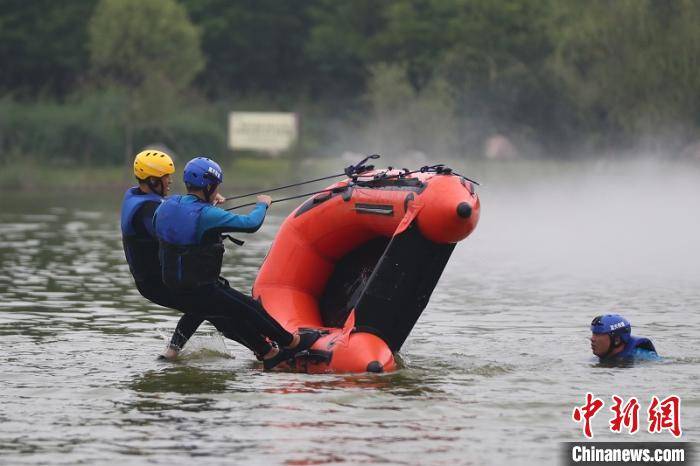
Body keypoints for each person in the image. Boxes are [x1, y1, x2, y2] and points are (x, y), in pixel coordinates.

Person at [153, 156, 321, 369]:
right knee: (248, 308)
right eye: (216, 186)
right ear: (210, 186)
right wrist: (262, 205)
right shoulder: (207, 215)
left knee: (224, 311)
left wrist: (209, 207)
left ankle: (267, 354)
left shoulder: (166, 206)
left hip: (174, 286)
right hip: (201, 287)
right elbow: (250, 224)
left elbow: (181, 223)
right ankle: (292, 342)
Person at [120, 149, 233, 356]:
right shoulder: (146, 211)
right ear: (153, 181)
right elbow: (178, 233)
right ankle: (265, 350)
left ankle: (172, 351)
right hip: (157, 282)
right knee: (212, 302)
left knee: (206, 301)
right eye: (166, 177)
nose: (170, 181)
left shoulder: (137, 196)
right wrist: (206, 211)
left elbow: (176, 212)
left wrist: (205, 204)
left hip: (154, 279)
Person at [590, 314, 659, 361]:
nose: (592, 339)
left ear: (617, 340)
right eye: (593, 333)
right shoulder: (599, 358)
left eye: (598, 334)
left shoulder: (644, 358)